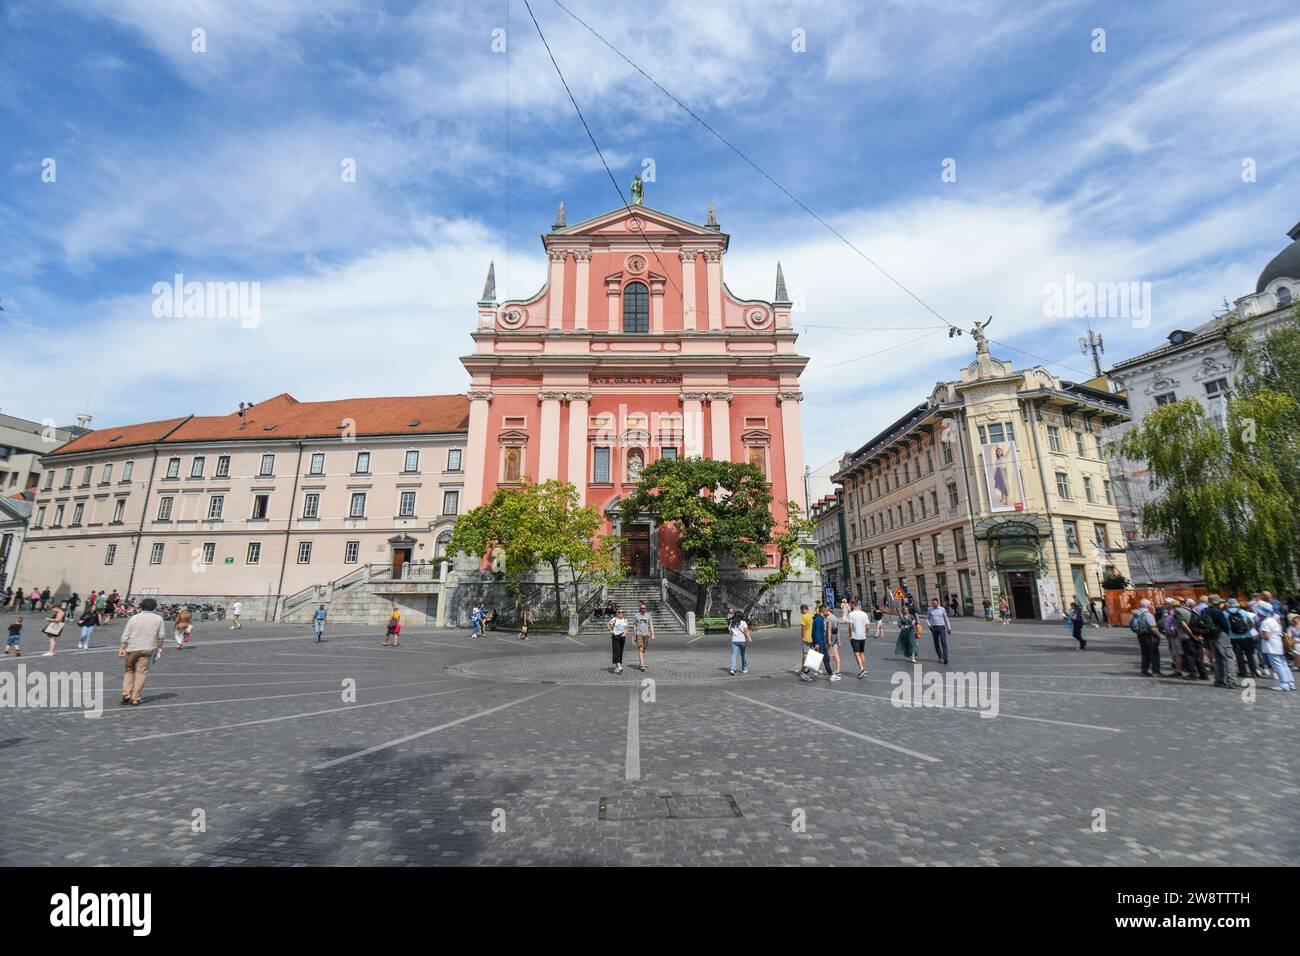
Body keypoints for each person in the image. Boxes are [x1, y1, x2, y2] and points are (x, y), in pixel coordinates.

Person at [118, 597, 165, 706]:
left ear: (141, 606)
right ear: (154, 607)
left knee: (129, 670)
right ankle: (136, 698)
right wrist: (159, 648)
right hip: (148, 649)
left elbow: (125, 635)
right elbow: (161, 636)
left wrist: (122, 647)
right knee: (141, 673)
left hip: (133, 648)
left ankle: (126, 694)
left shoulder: (134, 618)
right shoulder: (159, 619)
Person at [1201, 596, 1238, 688]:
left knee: (1217, 659)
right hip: (1220, 635)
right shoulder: (1217, 611)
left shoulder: (1204, 611)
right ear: (1217, 602)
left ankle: (1219, 680)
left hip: (1210, 636)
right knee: (1228, 658)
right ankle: (1231, 681)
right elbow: (1224, 625)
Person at [1256, 611, 1294, 691]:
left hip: (1271, 645)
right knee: (1284, 664)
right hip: (1279, 644)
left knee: (1277, 665)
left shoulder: (1265, 622)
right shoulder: (1275, 620)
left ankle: (1284, 684)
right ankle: (1290, 683)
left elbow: (1266, 636)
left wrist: (1260, 636)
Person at [1174, 598, 1209, 681]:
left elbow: (1183, 624)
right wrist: (1199, 635)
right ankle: (1204, 674)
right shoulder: (1194, 611)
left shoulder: (1178, 611)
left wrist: (1192, 634)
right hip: (1198, 636)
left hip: (1187, 636)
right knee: (1199, 656)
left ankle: (1193, 674)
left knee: (1189, 656)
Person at [1225, 598, 1260, 678]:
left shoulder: (1225, 613)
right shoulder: (1243, 612)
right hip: (1246, 636)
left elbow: (1225, 626)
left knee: (1238, 655)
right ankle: (1253, 671)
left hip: (1233, 637)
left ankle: (1242, 671)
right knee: (1249, 654)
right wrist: (1248, 630)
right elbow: (1251, 623)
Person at [1129, 598, 1163, 676]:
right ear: (1148, 605)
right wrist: (1158, 635)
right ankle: (1156, 671)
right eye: (1150, 604)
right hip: (1149, 635)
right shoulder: (1148, 614)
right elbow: (1153, 628)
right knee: (1154, 653)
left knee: (1144, 653)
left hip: (1140, 635)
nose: (1151, 606)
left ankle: (1144, 670)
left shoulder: (1136, 613)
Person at [847, 599, 871, 678]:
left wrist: (850, 635)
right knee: (862, 653)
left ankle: (862, 669)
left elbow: (850, 626)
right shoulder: (864, 614)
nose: (850, 607)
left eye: (850, 605)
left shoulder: (851, 614)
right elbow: (868, 626)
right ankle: (862, 668)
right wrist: (864, 633)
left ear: (853, 605)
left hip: (855, 636)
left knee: (856, 654)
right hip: (862, 636)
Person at [926, 597, 952, 664]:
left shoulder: (942, 609)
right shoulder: (930, 609)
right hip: (934, 628)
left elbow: (946, 618)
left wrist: (949, 628)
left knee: (943, 642)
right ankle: (940, 657)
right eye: (933, 603)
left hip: (942, 627)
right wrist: (929, 626)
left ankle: (945, 658)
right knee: (936, 643)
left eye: (935, 603)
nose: (934, 604)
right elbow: (927, 619)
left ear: (938, 603)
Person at [633, 601, 655, 673]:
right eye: (642, 608)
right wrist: (634, 635)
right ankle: (642, 665)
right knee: (641, 649)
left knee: (644, 650)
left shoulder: (648, 616)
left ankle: (640, 662)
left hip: (646, 634)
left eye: (644, 608)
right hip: (639, 634)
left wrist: (653, 634)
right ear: (640, 608)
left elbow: (651, 625)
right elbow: (634, 626)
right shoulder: (636, 615)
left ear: (646, 609)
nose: (643, 609)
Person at [728, 608, 751, 675]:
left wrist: (734, 633)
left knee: (734, 655)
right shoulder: (743, 622)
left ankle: (733, 669)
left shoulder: (732, 622)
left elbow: (730, 633)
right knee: (743, 655)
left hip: (734, 640)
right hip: (742, 641)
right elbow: (746, 631)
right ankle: (744, 669)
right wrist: (749, 638)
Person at [608, 607, 628, 675]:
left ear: (623, 613)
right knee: (616, 651)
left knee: (620, 651)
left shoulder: (625, 620)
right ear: (617, 613)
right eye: (619, 612)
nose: (620, 613)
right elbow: (608, 624)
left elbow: (626, 628)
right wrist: (610, 630)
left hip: (622, 636)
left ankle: (617, 667)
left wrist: (625, 633)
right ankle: (619, 666)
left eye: (622, 612)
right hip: (615, 636)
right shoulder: (614, 619)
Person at [823, 604, 842, 678]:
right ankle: (838, 669)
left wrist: (828, 640)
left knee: (825, 652)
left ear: (826, 611)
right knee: (836, 652)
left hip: (831, 636)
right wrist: (839, 640)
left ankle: (828, 669)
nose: (823, 613)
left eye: (823, 611)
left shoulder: (828, 618)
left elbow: (829, 630)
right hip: (835, 635)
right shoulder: (834, 617)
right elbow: (837, 629)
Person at [799, 603, 814, 674]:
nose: (801, 612)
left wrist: (802, 636)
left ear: (803, 610)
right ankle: (810, 669)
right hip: (813, 637)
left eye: (801, 610)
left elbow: (803, 628)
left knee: (805, 653)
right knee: (811, 653)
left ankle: (803, 668)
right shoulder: (813, 616)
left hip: (806, 637)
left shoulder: (804, 617)